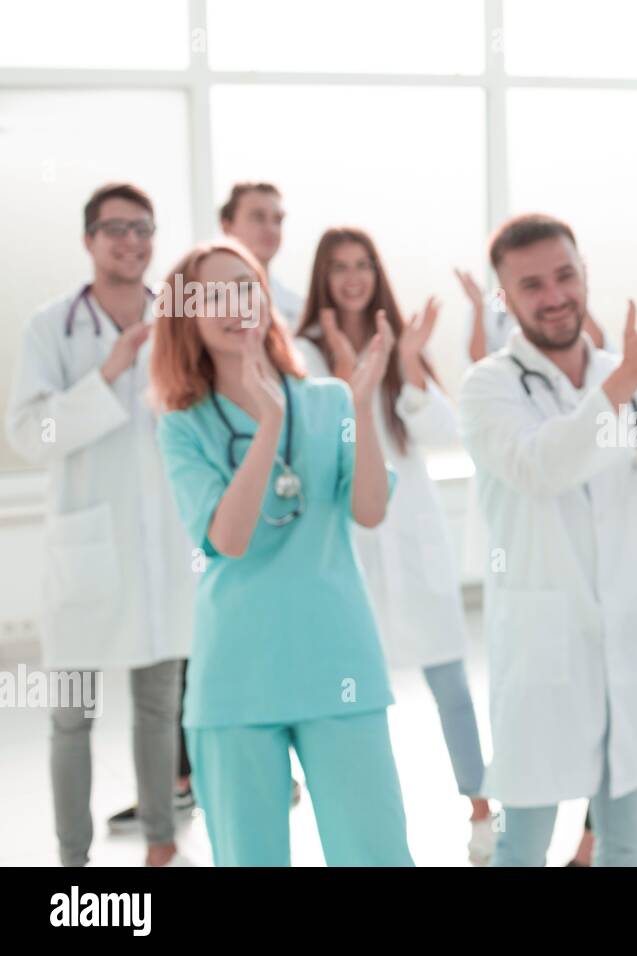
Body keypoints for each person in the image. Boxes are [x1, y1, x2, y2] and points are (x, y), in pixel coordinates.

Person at [458, 213, 637, 867]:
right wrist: (627, 378)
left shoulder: (631, 379)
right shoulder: (489, 386)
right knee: (522, 845)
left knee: (625, 841)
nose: (554, 296)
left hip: (629, 647)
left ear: (584, 275)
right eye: (531, 285)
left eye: (564, 275)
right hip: (543, 651)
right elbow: (541, 466)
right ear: (505, 297)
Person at [151, 239, 412, 866]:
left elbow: (370, 510)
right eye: (212, 294)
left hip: (338, 665)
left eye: (247, 287)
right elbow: (228, 541)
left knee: (375, 854)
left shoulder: (327, 401)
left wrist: (362, 404)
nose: (235, 304)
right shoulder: (183, 423)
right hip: (237, 679)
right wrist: (268, 423)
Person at [5, 182, 194, 867]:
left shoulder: (176, 320)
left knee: (157, 709)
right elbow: (32, 432)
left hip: (162, 549)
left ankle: (161, 845)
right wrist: (109, 375)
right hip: (84, 551)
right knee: (69, 717)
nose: (131, 240)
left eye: (142, 227)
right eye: (114, 228)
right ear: (90, 240)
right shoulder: (50, 326)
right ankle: (74, 861)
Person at [294, 227, 495, 865]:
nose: (352, 278)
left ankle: (481, 805)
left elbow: (444, 430)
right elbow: (310, 441)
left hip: (411, 531)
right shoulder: (301, 350)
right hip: (345, 533)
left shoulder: (399, 341)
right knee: (358, 684)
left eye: (361, 265)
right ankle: (374, 821)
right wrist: (345, 375)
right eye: (339, 267)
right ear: (322, 278)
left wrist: (407, 362)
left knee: (448, 680)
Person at [460, 266, 605, 363]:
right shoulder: (486, 308)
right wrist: (478, 306)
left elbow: (597, 345)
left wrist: (580, 290)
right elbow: (478, 360)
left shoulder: (559, 301)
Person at [219, 182, 304, 324]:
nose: (271, 229)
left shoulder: (297, 307)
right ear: (227, 226)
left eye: (278, 220)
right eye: (258, 217)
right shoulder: (197, 300)